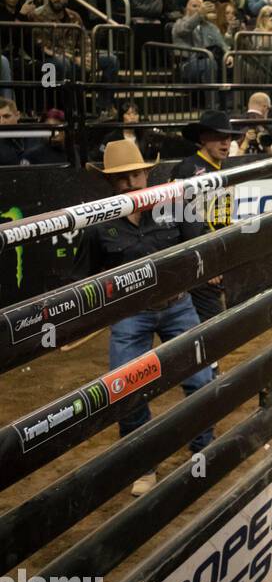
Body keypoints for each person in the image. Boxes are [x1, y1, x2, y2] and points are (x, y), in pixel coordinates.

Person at [85, 140, 214, 497]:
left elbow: (197, 244)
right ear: (110, 183)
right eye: (121, 178)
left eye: (136, 175)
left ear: (147, 173)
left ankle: (204, 451)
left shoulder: (173, 203)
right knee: (126, 390)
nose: (130, 183)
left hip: (178, 305)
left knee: (200, 380)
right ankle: (143, 464)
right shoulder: (97, 225)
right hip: (130, 314)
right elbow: (89, 277)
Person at [169, 111, 238, 329]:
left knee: (210, 322)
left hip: (213, 254)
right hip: (198, 259)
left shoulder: (219, 169)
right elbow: (180, 219)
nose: (225, 142)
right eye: (219, 136)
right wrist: (206, 260)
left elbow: (218, 218)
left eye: (228, 137)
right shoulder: (189, 169)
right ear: (203, 138)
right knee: (212, 325)